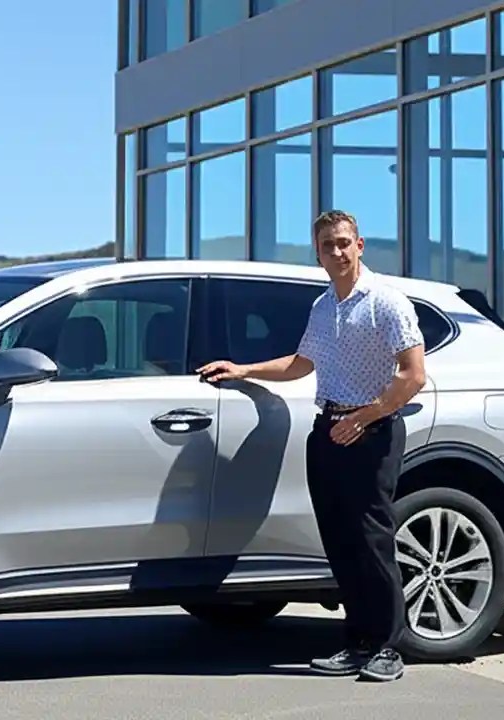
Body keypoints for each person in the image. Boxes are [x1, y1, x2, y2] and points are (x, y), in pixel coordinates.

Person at [197, 209, 426, 683]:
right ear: (318, 254)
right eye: (327, 246)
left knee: (371, 541)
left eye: (344, 242)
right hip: (328, 430)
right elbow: (302, 364)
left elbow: (413, 375)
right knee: (340, 542)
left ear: (359, 245)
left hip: (372, 431)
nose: (337, 252)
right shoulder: (323, 307)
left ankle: (388, 646)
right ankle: (358, 642)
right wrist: (242, 369)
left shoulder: (386, 302)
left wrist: (364, 418)